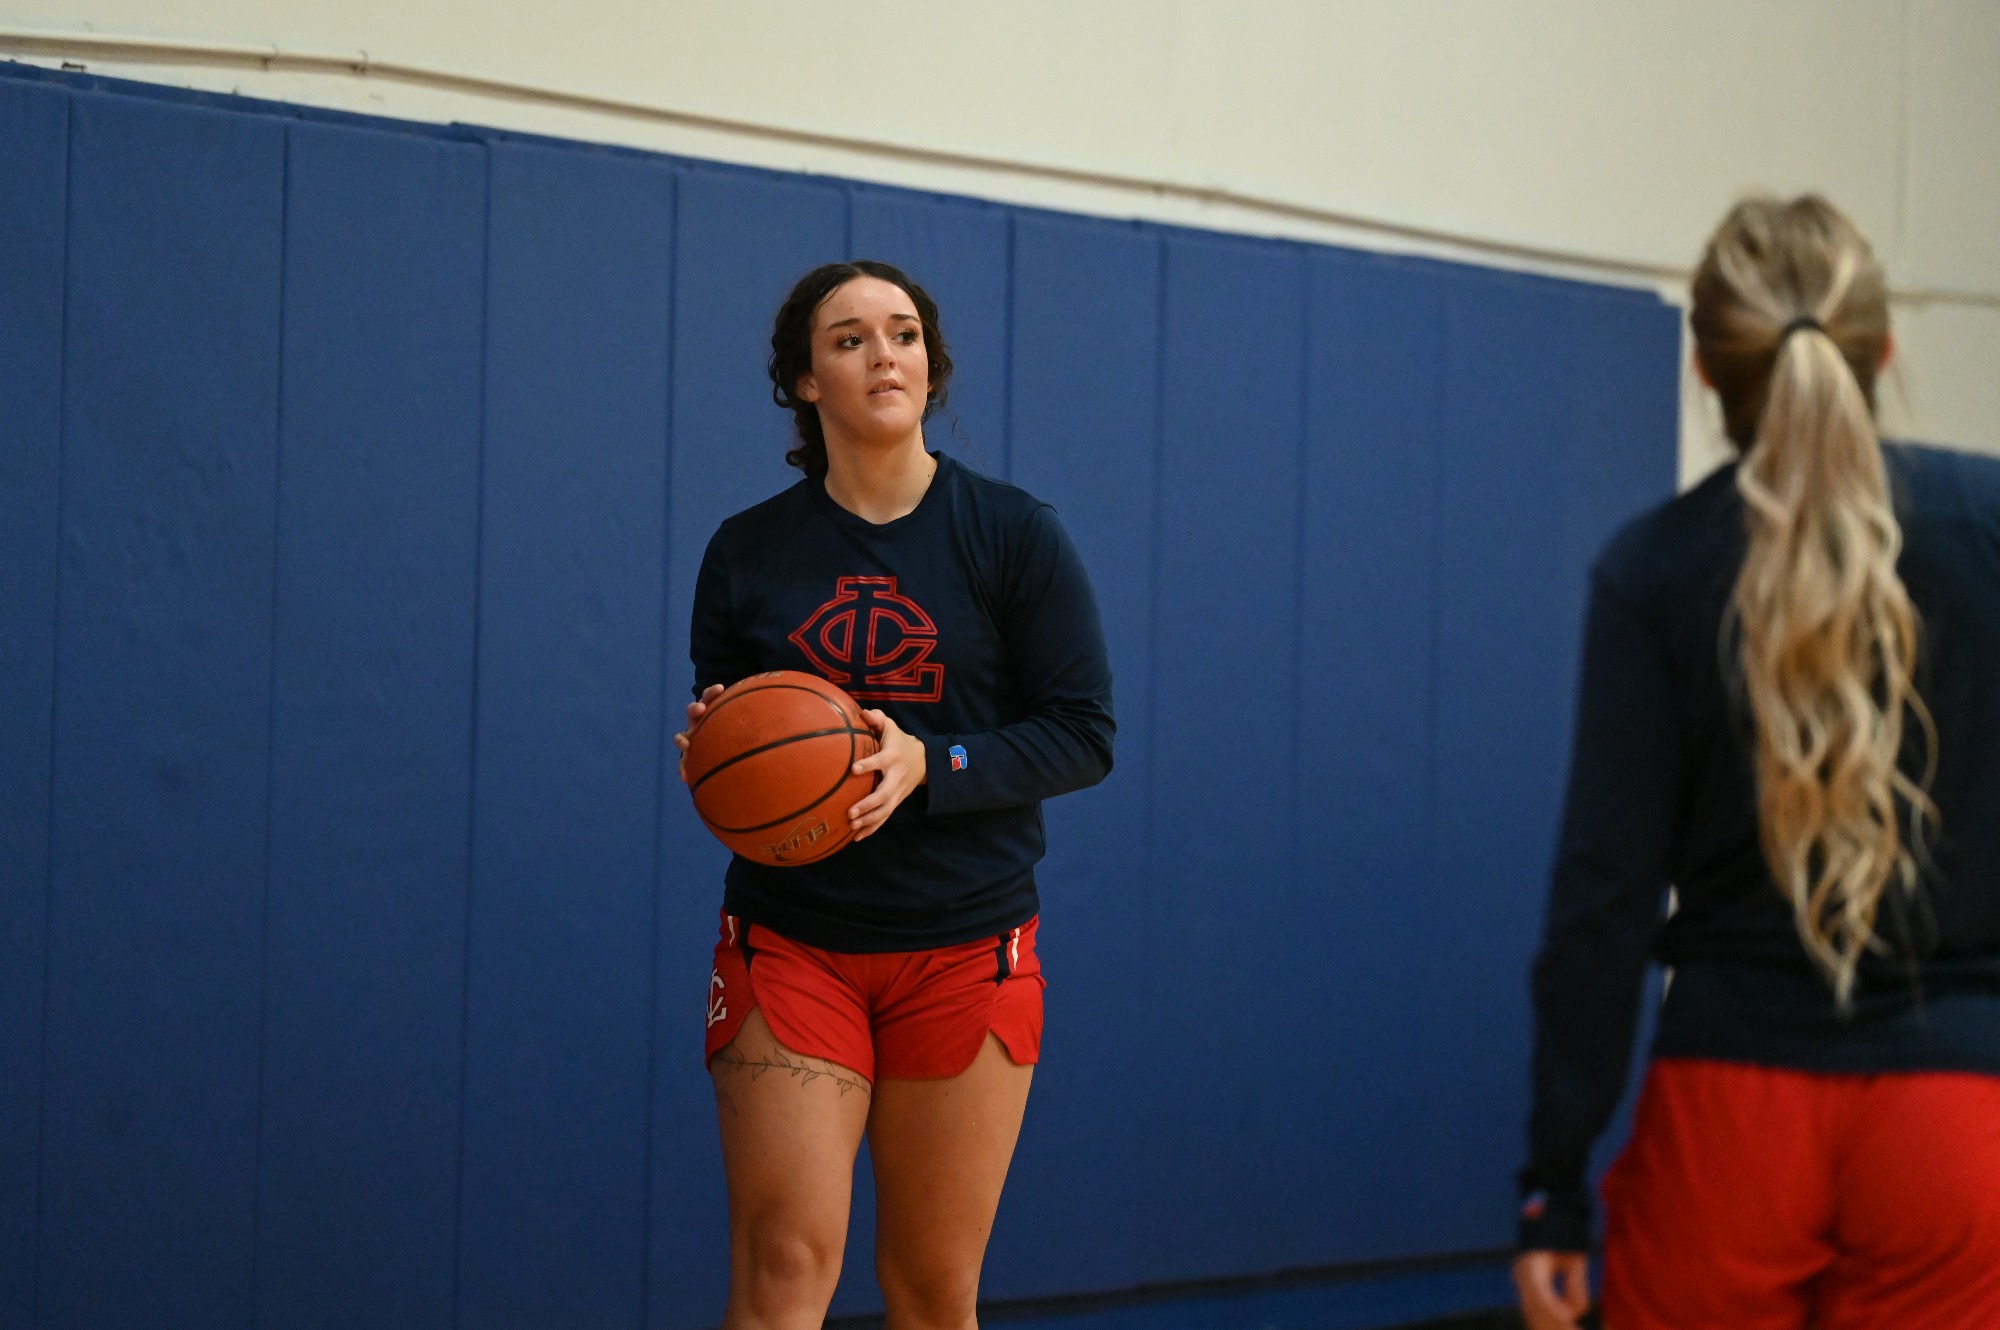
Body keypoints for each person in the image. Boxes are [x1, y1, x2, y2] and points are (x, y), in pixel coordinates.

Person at [1514, 196, 2000, 1330]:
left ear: (1701, 369)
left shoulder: (1652, 569)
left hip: (1731, 1114)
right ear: (1883, 352)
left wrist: (1553, 1182)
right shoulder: (1988, 530)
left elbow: (1602, 903)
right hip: (1954, 1119)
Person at [676, 259, 1114, 1330]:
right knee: (783, 1267)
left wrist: (934, 764)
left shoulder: (1014, 535)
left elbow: (1082, 733)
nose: (883, 353)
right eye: (849, 337)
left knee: (929, 1289)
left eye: (904, 333)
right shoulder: (746, 552)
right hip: (797, 942)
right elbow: (742, 746)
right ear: (802, 382)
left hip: (965, 947)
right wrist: (720, 744)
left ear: (930, 365)